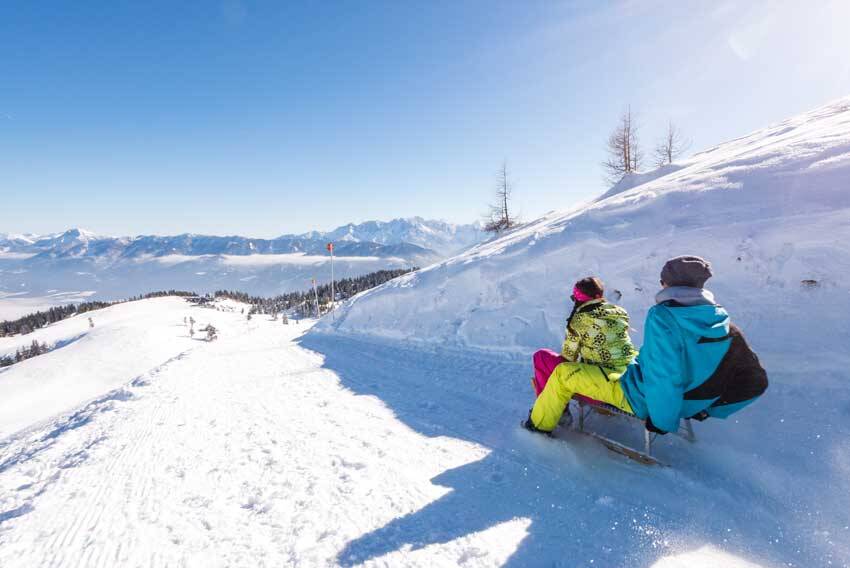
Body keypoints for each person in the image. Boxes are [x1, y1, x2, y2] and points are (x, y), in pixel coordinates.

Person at [525, 256, 769, 437]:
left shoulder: (665, 316)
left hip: (640, 396)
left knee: (561, 373)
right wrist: (704, 408)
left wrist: (662, 420)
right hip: (680, 399)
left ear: (669, 283)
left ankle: (537, 427)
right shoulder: (722, 321)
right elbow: (755, 380)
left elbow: (666, 374)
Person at [525, 276, 637, 432]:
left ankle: (554, 410)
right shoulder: (619, 312)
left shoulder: (580, 320)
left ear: (577, 298)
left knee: (542, 357)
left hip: (604, 384)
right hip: (630, 378)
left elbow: (568, 358)